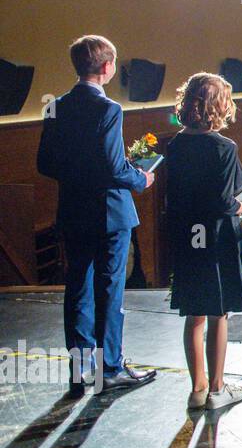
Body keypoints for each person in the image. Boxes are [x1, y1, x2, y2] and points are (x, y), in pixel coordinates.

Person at [36, 35, 157, 395]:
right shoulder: (109, 110)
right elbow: (112, 167)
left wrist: (79, 175)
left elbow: (45, 163)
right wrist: (142, 178)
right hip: (109, 214)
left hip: (73, 211)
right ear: (106, 68)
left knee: (77, 289)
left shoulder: (54, 107)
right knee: (109, 290)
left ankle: (79, 369)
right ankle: (110, 368)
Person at [166, 72, 242, 411]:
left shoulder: (175, 144)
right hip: (217, 238)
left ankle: (197, 389)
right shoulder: (223, 147)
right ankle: (218, 389)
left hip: (187, 235)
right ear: (218, 107)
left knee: (194, 313)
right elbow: (225, 202)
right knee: (218, 313)